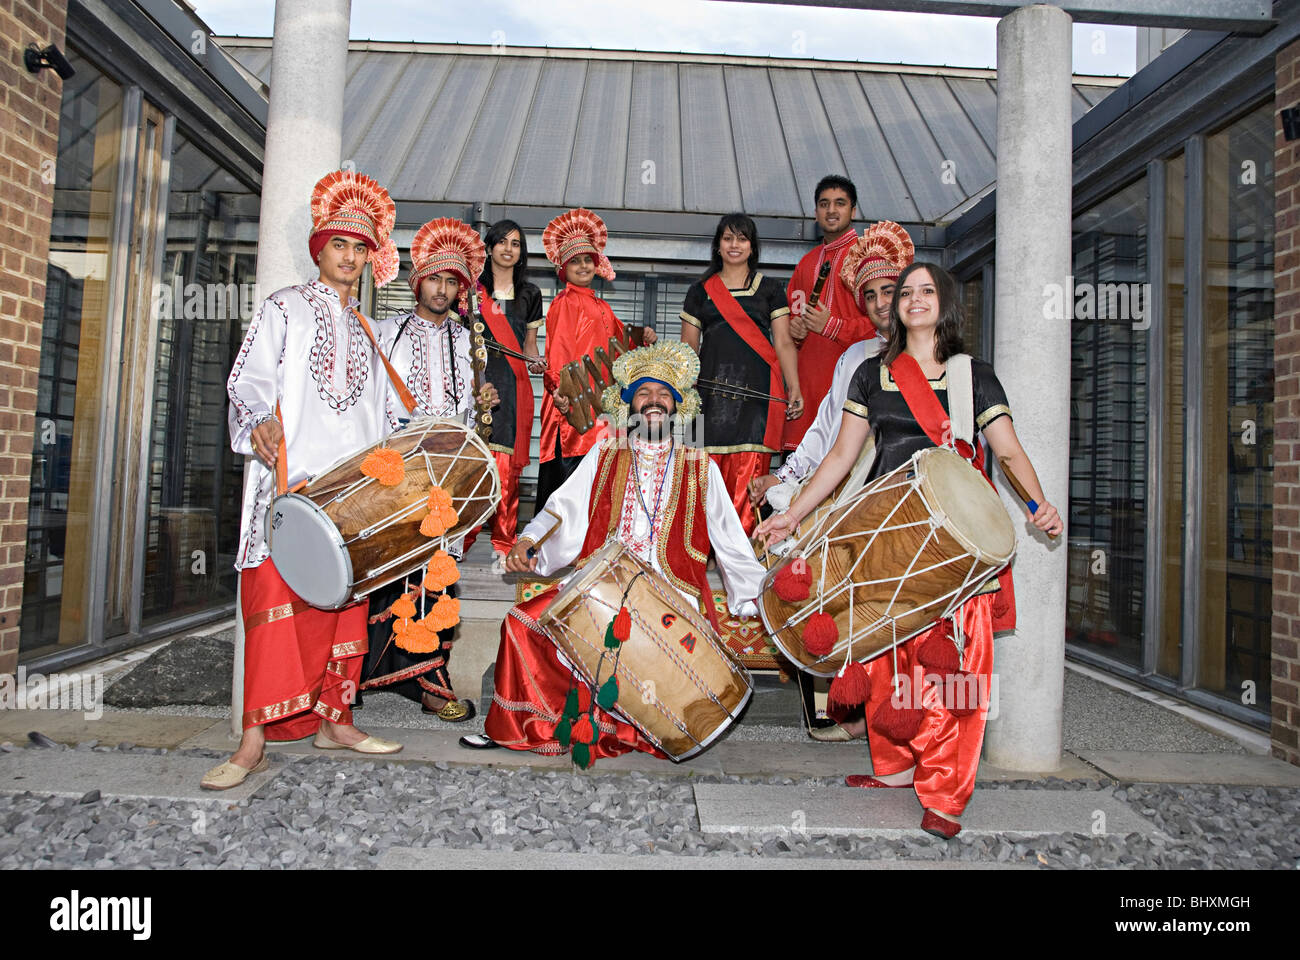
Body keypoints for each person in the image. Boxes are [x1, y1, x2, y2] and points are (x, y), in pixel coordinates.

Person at [757, 261, 1064, 839]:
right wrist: (792, 512)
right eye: (906, 292)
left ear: (945, 304)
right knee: (881, 657)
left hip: (954, 546)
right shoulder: (873, 374)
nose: (914, 299)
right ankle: (896, 769)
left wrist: (1037, 506)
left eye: (927, 291)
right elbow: (841, 457)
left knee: (952, 671)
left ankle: (946, 792)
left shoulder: (976, 377)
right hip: (888, 540)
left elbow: (1011, 454)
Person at [459, 341, 766, 760]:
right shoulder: (605, 454)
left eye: (663, 394)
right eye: (644, 393)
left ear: (678, 404)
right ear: (629, 404)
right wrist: (530, 542)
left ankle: (621, 728)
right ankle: (519, 729)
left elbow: (731, 542)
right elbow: (562, 509)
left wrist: (757, 598)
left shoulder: (700, 466)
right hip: (601, 585)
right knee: (521, 622)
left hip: (670, 598)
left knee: (631, 650)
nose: (654, 401)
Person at [203, 170, 404, 790]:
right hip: (289, 487)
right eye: (340, 245)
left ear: (371, 259)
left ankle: (335, 720)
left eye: (360, 248)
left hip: (349, 498)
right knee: (272, 605)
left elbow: (386, 416)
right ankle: (251, 741)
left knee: (344, 606)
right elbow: (248, 380)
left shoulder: (372, 331)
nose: (350, 257)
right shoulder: (283, 307)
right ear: (320, 250)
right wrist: (261, 419)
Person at [750, 220, 915, 742]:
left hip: (913, 500)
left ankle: (909, 722)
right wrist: (786, 476)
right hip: (852, 494)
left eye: (891, 290)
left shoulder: (939, 353)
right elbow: (827, 435)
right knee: (832, 592)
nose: (881, 303)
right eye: (870, 295)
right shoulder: (855, 358)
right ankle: (844, 708)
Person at [359, 217, 498, 723]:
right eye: (435, 279)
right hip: (395, 474)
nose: (442, 290)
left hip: (447, 476)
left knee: (439, 575)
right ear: (418, 281)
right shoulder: (386, 333)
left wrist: (485, 399)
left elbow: (469, 415)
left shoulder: (469, 343)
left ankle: (430, 679)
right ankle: (368, 673)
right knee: (389, 572)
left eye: (452, 282)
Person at [679, 213, 800, 535]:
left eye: (742, 239)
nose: (735, 245)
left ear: (752, 246)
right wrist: (683, 394)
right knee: (704, 482)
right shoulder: (699, 291)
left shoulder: (771, 289)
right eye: (728, 238)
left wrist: (795, 387)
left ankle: (739, 559)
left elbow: (785, 342)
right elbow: (688, 349)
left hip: (757, 398)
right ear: (718, 245)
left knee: (749, 482)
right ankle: (700, 556)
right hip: (708, 399)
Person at [534, 208, 656, 513]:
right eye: (575, 261)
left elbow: (620, 340)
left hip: (598, 401)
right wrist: (561, 392)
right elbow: (559, 351)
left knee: (598, 470)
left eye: (588, 259)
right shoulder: (565, 302)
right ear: (563, 268)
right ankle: (560, 543)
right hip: (572, 402)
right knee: (572, 475)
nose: (583, 265)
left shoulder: (600, 304)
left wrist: (642, 336)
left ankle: (588, 543)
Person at [464, 219, 545, 573]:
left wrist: (538, 362)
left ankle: (503, 543)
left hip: (513, 387)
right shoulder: (469, 291)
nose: (509, 249)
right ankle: (459, 540)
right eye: (502, 242)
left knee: (507, 473)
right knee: (470, 467)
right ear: (489, 247)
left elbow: (528, 348)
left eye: (516, 243)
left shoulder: (531, 294)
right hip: (475, 382)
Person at [783, 175, 878, 454]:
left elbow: (887, 325)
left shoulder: (869, 258)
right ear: (815, 213)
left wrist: (833, 326)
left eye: (840, 203)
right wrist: (795, 331)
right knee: (795, 484)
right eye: (824, 204)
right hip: (807, 392)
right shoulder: (806, 263)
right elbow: (789, 328)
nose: (831, 210)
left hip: (854, 387)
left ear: (854, 210)